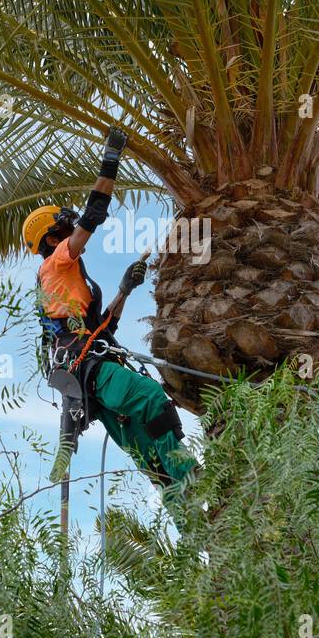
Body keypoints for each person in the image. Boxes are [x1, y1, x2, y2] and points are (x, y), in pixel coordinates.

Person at [22, 129, 196, 512]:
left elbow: (103, 327)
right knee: (152, 400)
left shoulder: (66, 284)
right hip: (92, 370)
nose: (74, 231)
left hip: (92, 378)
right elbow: (94, 215)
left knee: (151, 453)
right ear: (53, 239)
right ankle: (195, 483)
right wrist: (111, 158)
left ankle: (196, 526)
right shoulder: (56, 263)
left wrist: (124, 289)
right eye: (65, 228)